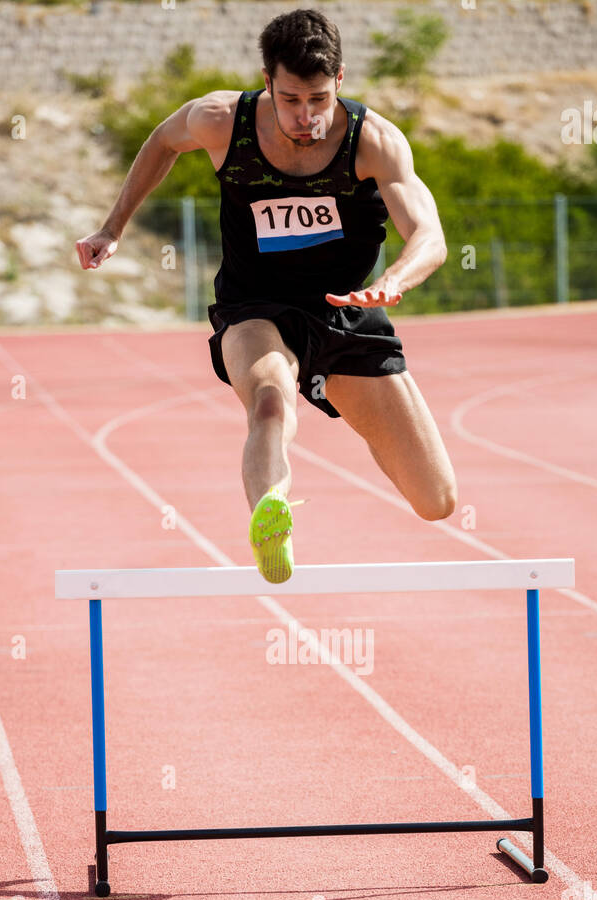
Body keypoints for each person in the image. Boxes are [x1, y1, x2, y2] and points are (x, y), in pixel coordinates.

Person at [76, 7, 458, 583]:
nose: (306, 118)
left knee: (437, 500)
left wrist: (391, 283)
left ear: (340, 82)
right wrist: (113, 227)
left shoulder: (372, 140)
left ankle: (329, 411)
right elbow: (161, 142)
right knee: (271, 399)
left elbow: (430, 235)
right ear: (266, 82)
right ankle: (270, 515)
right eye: (290, 100)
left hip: (346, 313)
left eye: (319, 100)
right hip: (254, 308)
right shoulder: (220, 119)